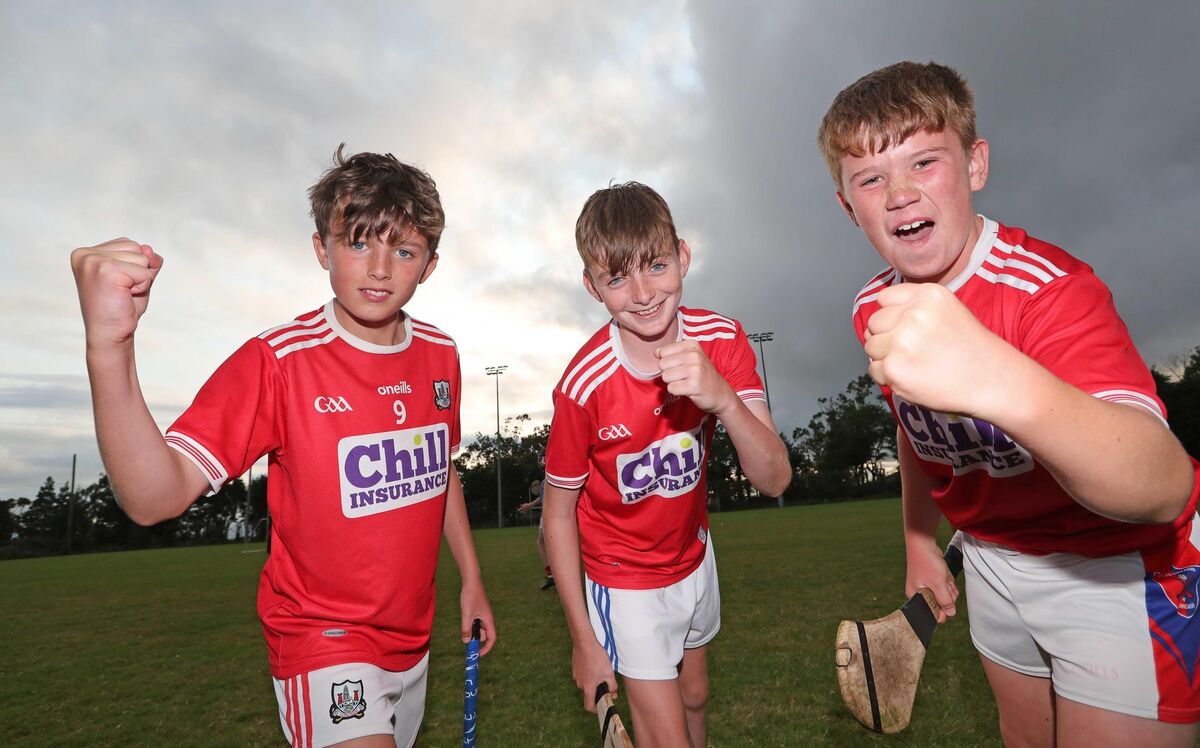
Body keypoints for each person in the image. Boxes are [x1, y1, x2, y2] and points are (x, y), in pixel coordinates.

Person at [818, 61, 1200, 745]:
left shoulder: (1050, 292)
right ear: (848, 207)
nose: (900, 194)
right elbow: (915, 426)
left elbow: (1163, 486)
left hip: (1112, 566)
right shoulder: (875, 306)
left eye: (925, 163)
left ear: (975, 164)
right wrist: (918, 540)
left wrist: (994, 374)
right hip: (993, 556)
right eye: (871, 179)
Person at [70, 145, 496, 748]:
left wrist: (472, 579)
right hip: (320, 638)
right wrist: (109, 346)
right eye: (357, 242)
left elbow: (439, 471)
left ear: (428, 265)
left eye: (403, 250)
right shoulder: (278, 362)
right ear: (321, 248)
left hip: (412, 639)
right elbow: (153, 497)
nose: (379, 268)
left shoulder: (440, 353)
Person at [542, 182, 791, 747]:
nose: (643, 292)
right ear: (592, 286)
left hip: (694, 555)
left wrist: (723, 398)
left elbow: (775, 477)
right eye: (617, 277)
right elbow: (557, 514)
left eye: (655, 265)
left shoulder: (720, 339)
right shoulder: (584, 385)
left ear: (682, 255)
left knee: (696, 696)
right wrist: (584, 639)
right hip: (623, 579)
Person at [517, 466, 555, 589]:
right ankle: (553, 574)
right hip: (551, 514)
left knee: (545, 543)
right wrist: (530, 505)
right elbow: (542, 497)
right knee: (544, 543)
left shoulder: (549, 478)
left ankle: (553, 575)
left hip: (551, 514)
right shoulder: (547, 479)